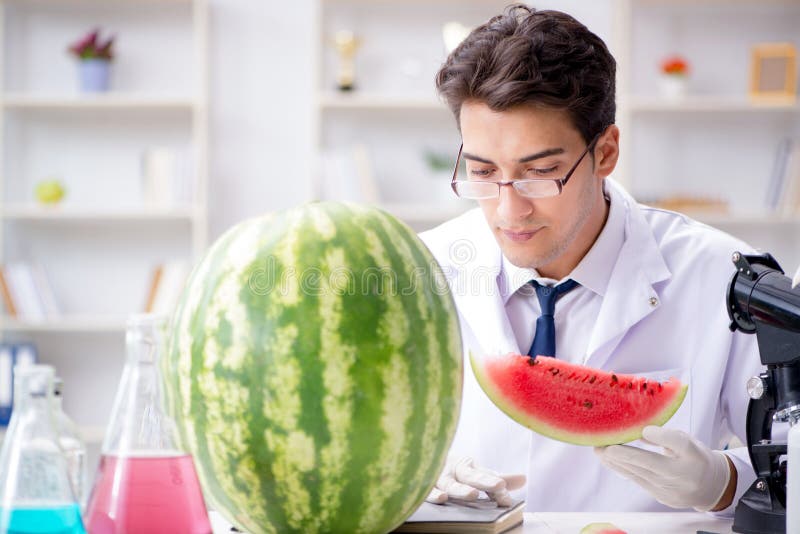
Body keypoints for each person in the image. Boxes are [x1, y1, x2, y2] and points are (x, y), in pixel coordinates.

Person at [419, 4, 763, 514]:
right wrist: (410, 489)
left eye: (541, 172)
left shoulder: (725, 278)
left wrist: (727, 482)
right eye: (484, 172)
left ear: (605, 152)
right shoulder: (421, 270)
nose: (509, 209)